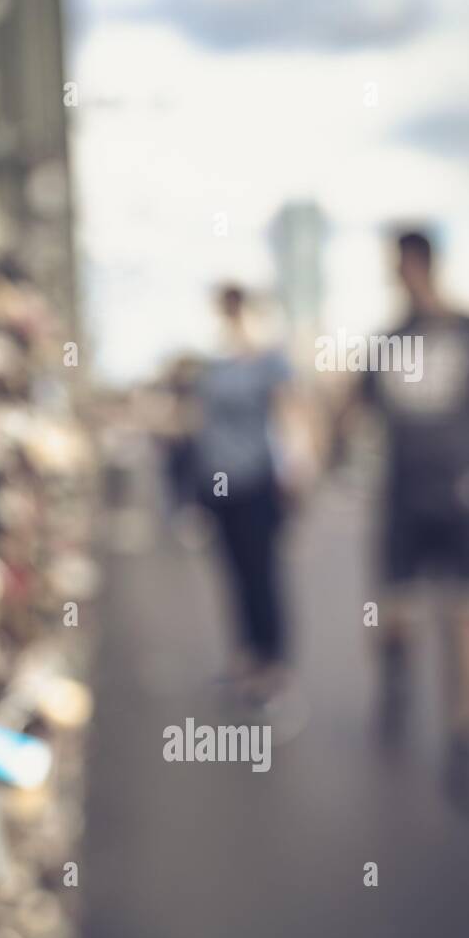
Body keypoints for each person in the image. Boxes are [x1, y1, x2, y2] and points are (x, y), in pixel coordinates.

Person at [337, 230, 469, 809]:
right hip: (404, 501)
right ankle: (397, 680)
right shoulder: (386, 343)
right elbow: (352, 409)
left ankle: (468, 745)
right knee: (394, 618)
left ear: (418, 263)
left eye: (400, 265)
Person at [191, 285, 303, 715]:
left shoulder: (269, 360)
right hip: (220, 486)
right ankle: (245, 657)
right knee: (233, 575)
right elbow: (201, 421)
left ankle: (272, 664)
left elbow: (290, 415)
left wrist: (294, 474)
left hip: (257, 482)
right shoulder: (214, 365)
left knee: (263, 576)